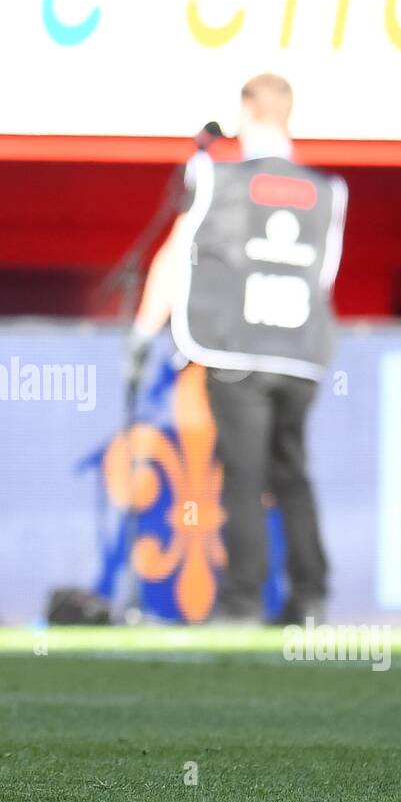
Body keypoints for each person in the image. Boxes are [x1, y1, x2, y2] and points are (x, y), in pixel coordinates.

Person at [130, 74, 347, 625]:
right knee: (292, 474)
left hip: (237, 350)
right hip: (300, 352)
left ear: (247, 111)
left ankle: (245, 601)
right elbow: (324, 277)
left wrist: (143, 331)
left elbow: (177, 256)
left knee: (246, 477)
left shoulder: (217, 179)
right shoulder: (326, 192)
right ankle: (311, 597)